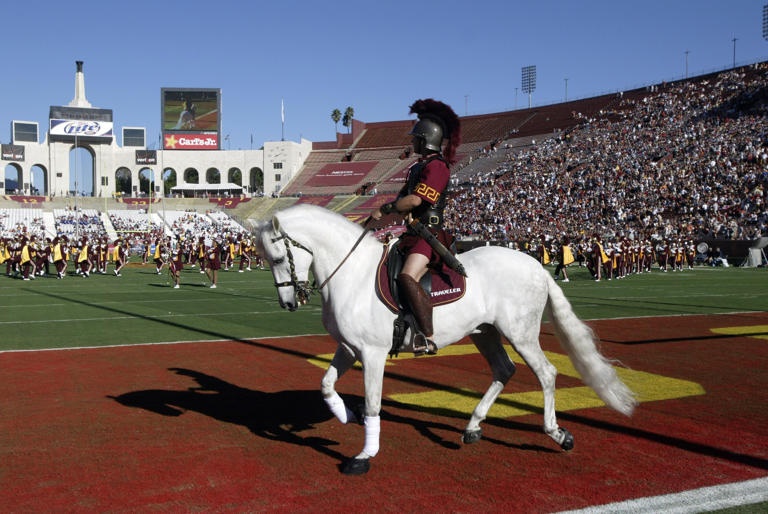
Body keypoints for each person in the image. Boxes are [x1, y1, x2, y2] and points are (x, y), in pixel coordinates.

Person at [371, 99, 460, 356]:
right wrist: (376, 218)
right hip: (411, 233)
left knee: (407, 276)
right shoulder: (416, 168)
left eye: (416, 139)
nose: (412, 143)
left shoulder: (437, 167)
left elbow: (415, 200)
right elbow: (401, 201)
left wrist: (387, 209)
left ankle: (428, 337)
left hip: (429, 235)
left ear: (426, 140)